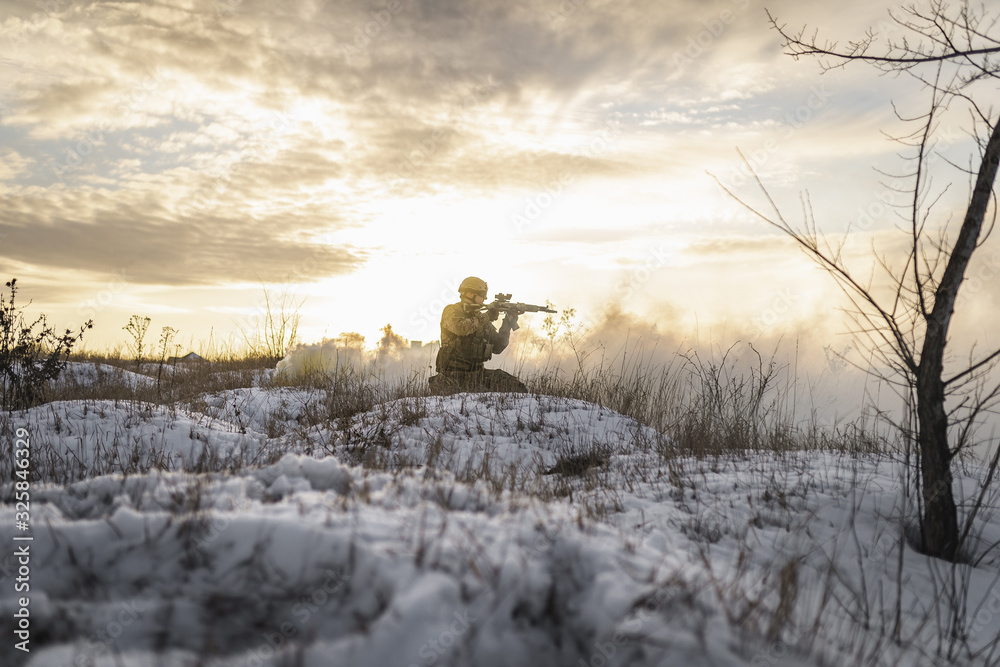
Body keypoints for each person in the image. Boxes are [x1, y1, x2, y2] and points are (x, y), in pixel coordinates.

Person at [428, 276, 528, 394]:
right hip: (454, 377)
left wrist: (507, 322)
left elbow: (498, 346)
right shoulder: (452, 311)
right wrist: (487, 316)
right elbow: (461, 328)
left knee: (517, 388)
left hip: (477, 375)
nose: (485, 298)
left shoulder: (481, 318)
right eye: (482, 294)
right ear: (470, 294)